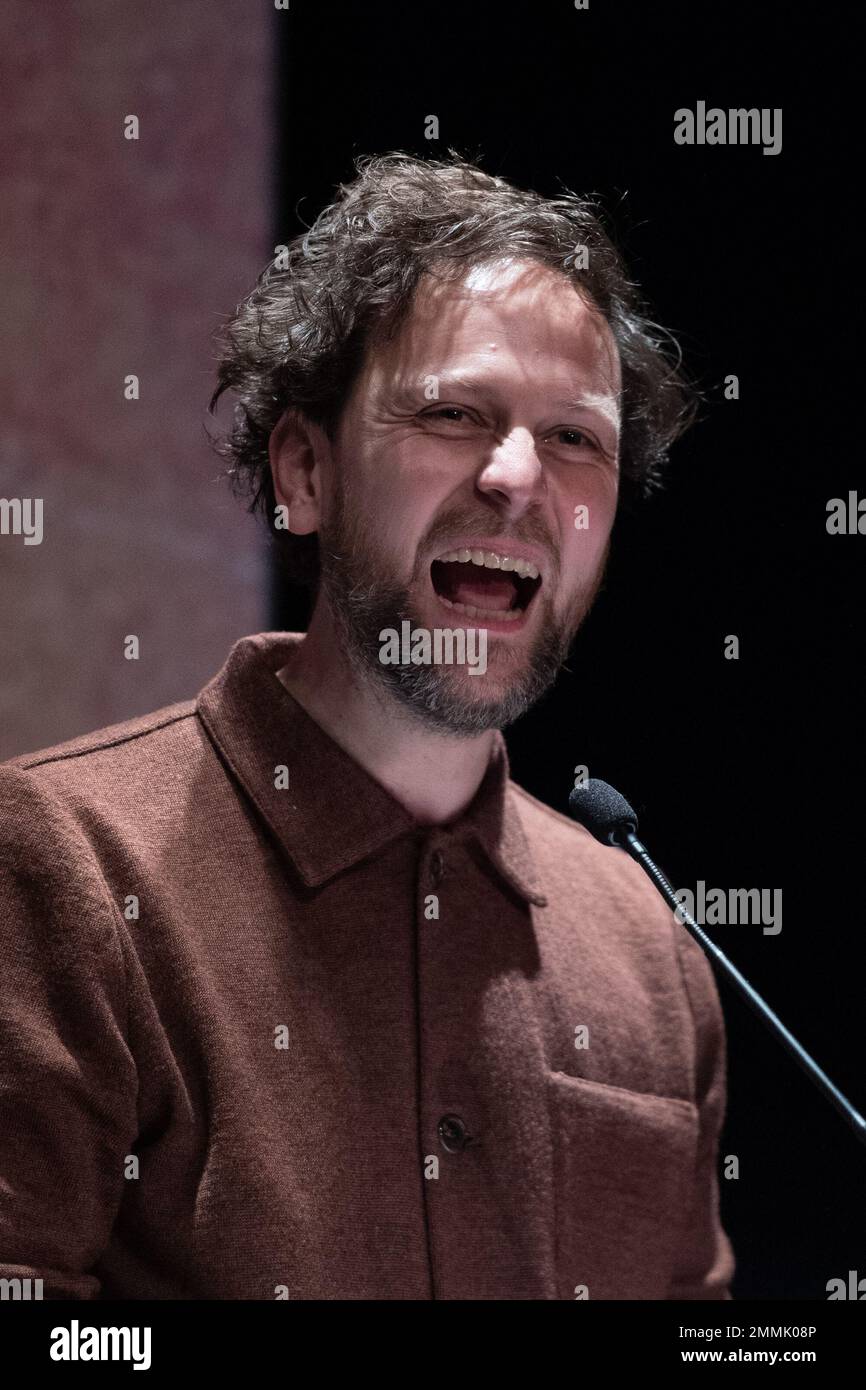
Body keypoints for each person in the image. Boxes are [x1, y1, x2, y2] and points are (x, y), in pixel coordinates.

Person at [0, 151, 734, 1300]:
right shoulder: (64, 863)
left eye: (573, 438)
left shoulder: (649, 951)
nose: (514, 478)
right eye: (453, 412)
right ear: (303, 470)